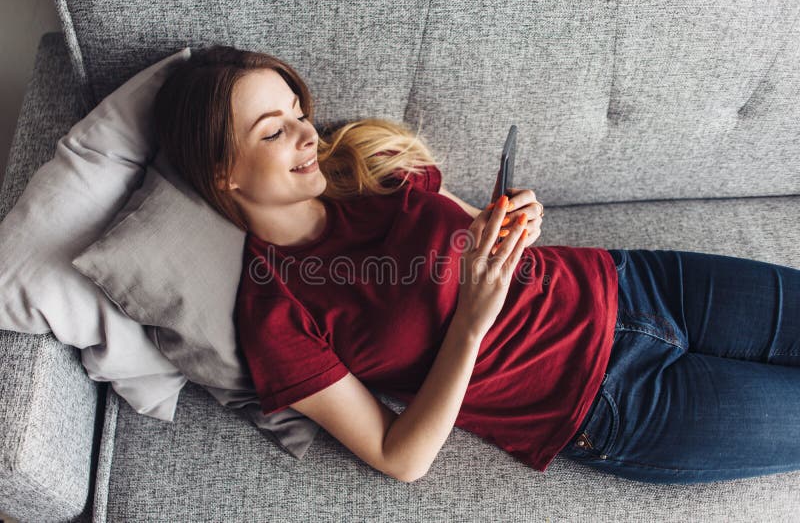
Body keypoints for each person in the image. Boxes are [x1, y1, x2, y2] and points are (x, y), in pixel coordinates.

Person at [153, 45, 800, 485]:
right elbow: (398, 457)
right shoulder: (278, 315)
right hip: (611, 401)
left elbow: (482, 233)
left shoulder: (367, 169)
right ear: (222, 172)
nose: (306, 135)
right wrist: (470, 321)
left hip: (637, 283)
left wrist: (516, 223)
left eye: (299, 112)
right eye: (273, 131)